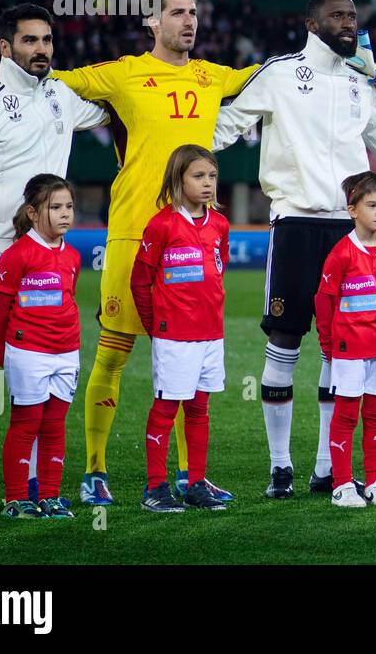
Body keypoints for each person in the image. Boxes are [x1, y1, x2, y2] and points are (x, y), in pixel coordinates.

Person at [0, 0, 262, 505]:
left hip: (191, 237)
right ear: (153, 22)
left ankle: (193, 479)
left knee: (189, 361)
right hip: (132, 233)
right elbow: (47, 80)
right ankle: (95, 470)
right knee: (114, 353)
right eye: (176, 12)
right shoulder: (122, 74)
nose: (188, 21)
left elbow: (267, 76)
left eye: (193, 11)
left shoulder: (214, 76)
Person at [213, 0, 376, 499]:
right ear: (311, 21)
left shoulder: (359, 81)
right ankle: (280, 465)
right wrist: (169, 152)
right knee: (284, 339)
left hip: (348, 230)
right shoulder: (280, 73)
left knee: (341, 348)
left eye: (352, 15)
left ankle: (329, 467)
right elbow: (228, 124)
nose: (348, 22)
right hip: (295, 224)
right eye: (337, 15)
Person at [0, 4, 106, 514]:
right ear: (6, 48)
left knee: (36, 372)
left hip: (45, 260)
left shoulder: (62, 97)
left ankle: (30, 483)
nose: (42, 50)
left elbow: (116, 104)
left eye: (47, 40)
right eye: (29, 41)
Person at [131, 146, 232, 511]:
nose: (207, 184)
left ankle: (195, 483)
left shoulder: (219, 223)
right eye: (198, 176)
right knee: (166, 407)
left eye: (211, 176)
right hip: (174, 334)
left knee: (200, 408)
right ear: (178, 179)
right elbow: (140, 282)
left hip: (211, 333)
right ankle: (155, 488)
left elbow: (220, 269)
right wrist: (156, 326)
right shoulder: (160, 225)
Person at [0, 175, 82, 519]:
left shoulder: (73, 256)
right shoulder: (17, 256)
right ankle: (15, 499)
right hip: (28, 353)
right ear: (32, 212)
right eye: (55, 207)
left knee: (55, 426)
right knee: (26, 424)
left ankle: (50, 497)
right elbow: (0, 309)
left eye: (69, 207)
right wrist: (3, 353)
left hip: (67, 352)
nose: (65, 214)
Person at [314, 172, 376, 508]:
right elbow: (324, 301)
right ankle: (342, 485)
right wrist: (328, 346)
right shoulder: (341, 254)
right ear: (352, 210)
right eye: (372, 205)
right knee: (347, 415)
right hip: (349, 349)